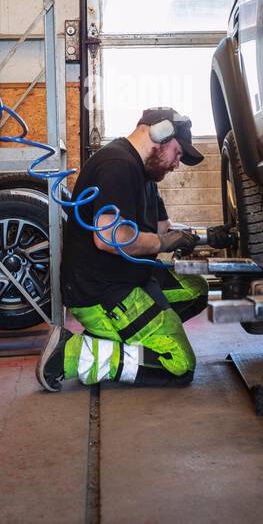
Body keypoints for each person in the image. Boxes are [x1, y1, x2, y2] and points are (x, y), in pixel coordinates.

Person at [36, 107, 210, 391]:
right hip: (101, 291)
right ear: (160, 134)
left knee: (196, 288)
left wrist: (206, 237)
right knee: (179, 363)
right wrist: (163, 243)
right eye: (178, 154)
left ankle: (134, 335)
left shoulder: (146, 173)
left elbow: (161, 227)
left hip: (131, 278)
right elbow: (109, 237)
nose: (177, 164)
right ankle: (72, 354)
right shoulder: (118, 165)